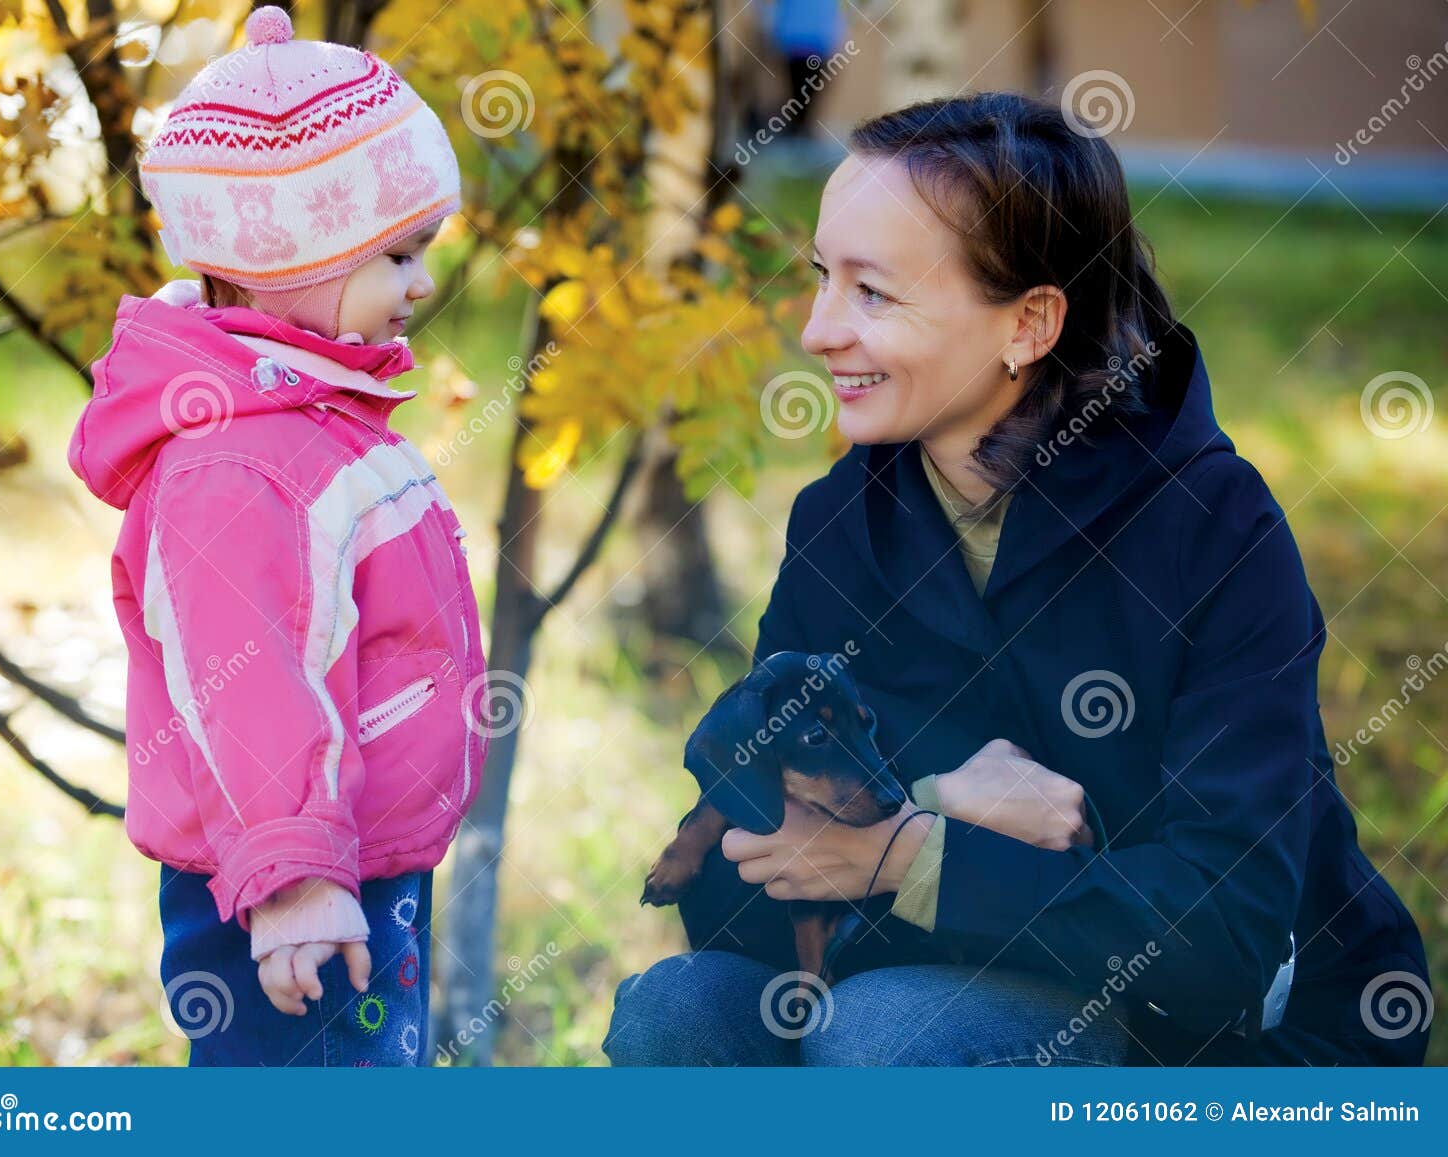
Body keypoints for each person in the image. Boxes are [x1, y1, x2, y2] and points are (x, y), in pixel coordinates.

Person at [605, 92, 1431, 1067]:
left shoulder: (1213, 527)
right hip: (937, 987)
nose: (819, 330)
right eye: (823, 277)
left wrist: (910, 856)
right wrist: (932, 807)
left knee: (890, 1035)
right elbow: (732, 896)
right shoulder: (836, 524)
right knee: (678, 1009)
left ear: (1030, 322)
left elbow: (1226, 941)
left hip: (1225, 1045)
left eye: (874, 294)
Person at [67, 6, 486, 1066]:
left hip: (353, 859)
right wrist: (295, 876)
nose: (423, 283)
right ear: (292, 258)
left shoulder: (313, 415)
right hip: (288, 891)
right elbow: (243, 677)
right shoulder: (240, 461)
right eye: (400, 254)